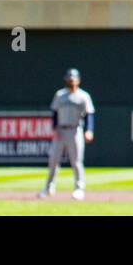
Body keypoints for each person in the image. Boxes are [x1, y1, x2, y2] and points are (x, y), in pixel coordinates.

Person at [39, 68, 95, 201]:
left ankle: (79, 189)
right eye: (69, 79)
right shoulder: (60, 95)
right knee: (53, 160)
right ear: (66, 80)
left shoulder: (83, 96)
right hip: (60, 131)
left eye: (73, 79)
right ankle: (48, 187)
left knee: (76, 161)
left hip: (76, 130)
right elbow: (54, 113)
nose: (71, 81)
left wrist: (89, 130)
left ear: (78, 80)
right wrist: (54, 128)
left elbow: (89, 114)